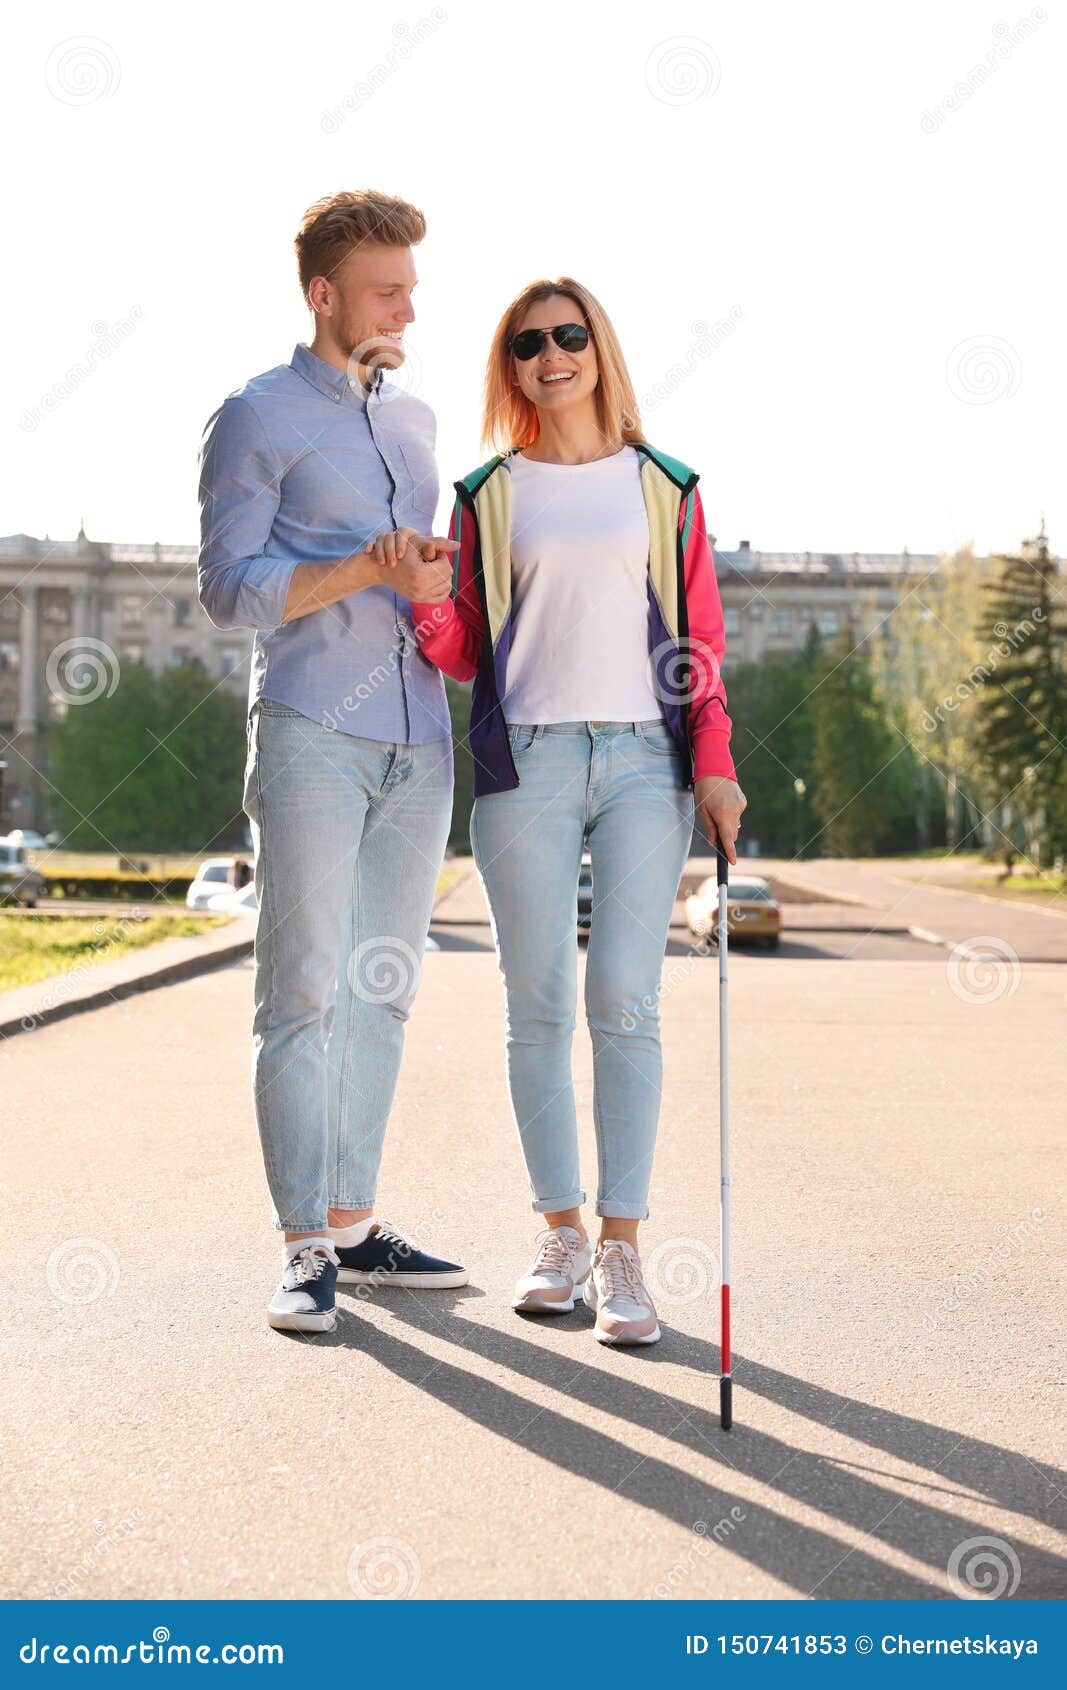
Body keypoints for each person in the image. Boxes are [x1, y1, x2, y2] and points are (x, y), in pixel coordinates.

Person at [367, 276, 746, 1346]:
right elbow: (462, 650)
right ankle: (560, 1236)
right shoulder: (487, 491)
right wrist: (424, 593)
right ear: (511, 366)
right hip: (523, 764)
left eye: (568, 334)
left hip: (641, 764)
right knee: (535, 1004)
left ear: (598, 347)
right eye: (527, 343)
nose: (550, 354)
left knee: (623, 999)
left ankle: (624, 1250)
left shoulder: (663, 485)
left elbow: (697, 641)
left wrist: (713, 759)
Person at [197, 190, 468, 1335]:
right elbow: (226, 591)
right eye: (386, 288)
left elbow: (426, 588)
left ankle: (355, 1223)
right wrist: (363, 569)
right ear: (324, 296)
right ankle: (301, 1243)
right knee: (301, 994)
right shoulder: (253, 416)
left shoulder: (412, 425)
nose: (409, 304)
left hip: (419, 737)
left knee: (380, 996)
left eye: (410, 286)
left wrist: (436, 582)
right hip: (312, 728)